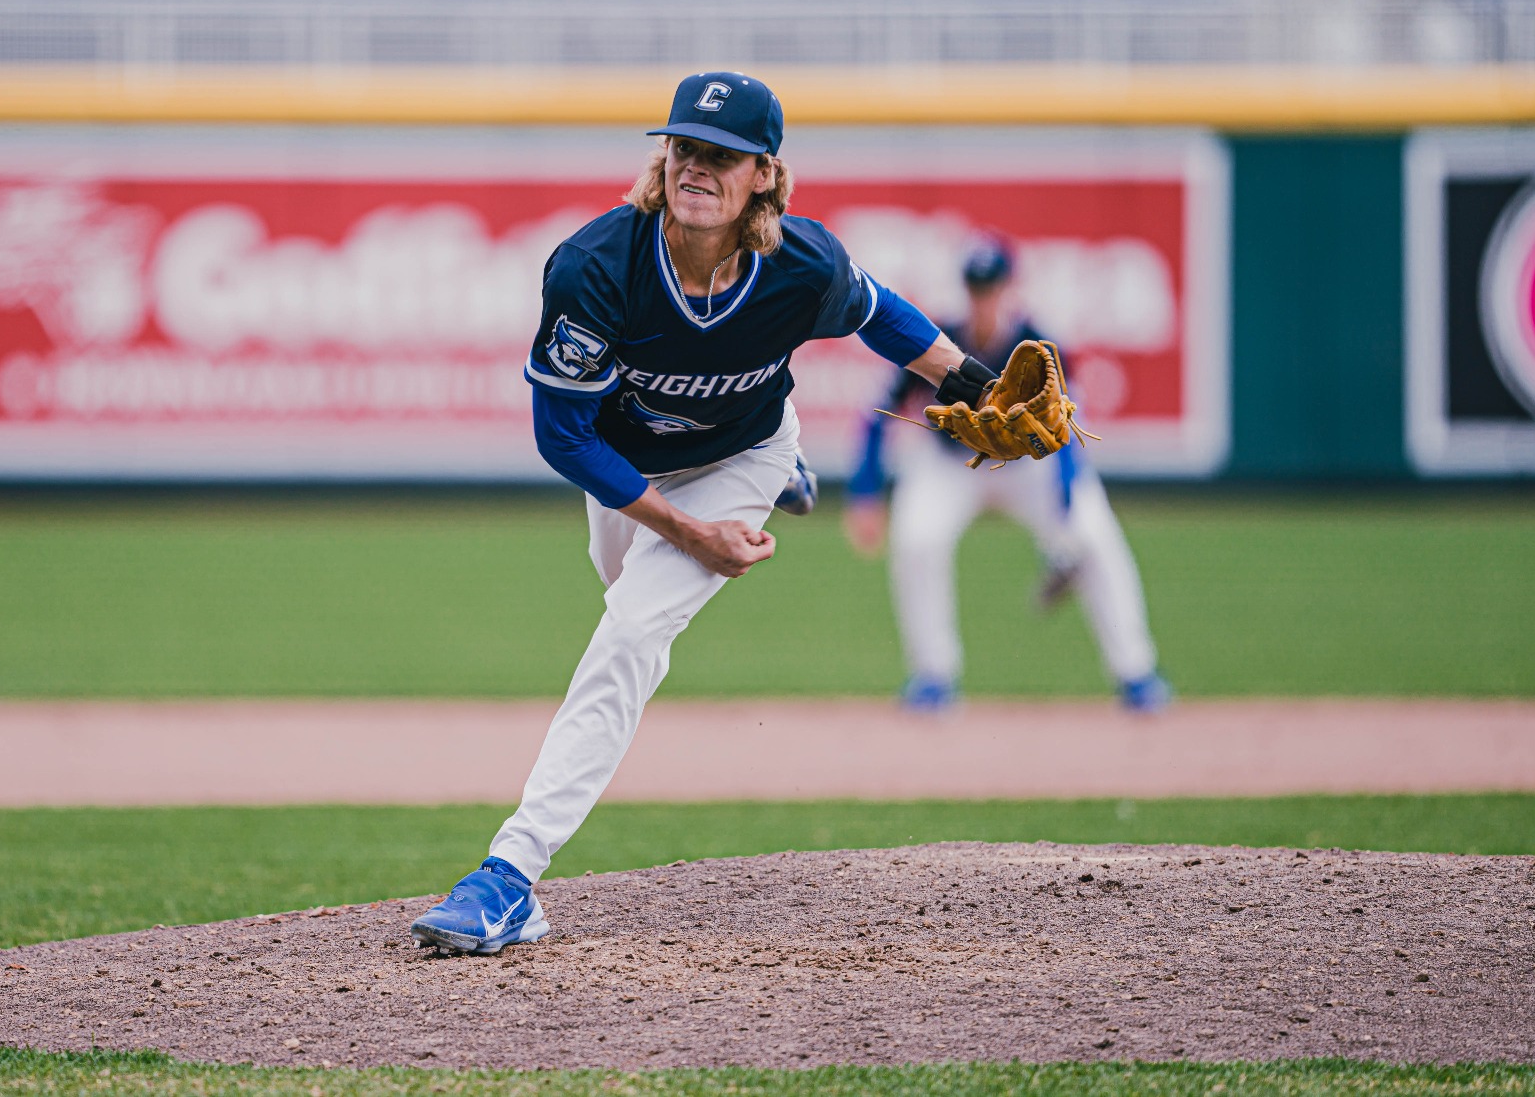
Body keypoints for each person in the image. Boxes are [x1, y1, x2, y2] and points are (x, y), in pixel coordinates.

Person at [410, 71, 1008, 956]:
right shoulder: (595, 268)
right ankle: (791, 481)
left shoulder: (800, 264)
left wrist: (971, 381)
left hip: (741, 454)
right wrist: (689, 532)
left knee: (629, 634)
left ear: (763, 173)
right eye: (685, 146)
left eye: (722, 155)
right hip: (630, 473)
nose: (698, 166)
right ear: (663, 158)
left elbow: (880, 315)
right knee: (623, 590)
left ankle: (508, 878)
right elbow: (563, 437)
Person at [843, 237, 1171, 713]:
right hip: (950, 465)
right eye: (976, 288)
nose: (984, 298)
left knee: (1094, 537)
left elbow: (1067, 437)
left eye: (992, 287)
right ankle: (933, 675)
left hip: (1029, 468)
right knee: (917, 540)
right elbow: (876, 414)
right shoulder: (941, 341)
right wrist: (865, 492)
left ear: (1010, 288)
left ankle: (1136, 673)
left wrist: (1065, 508)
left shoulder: (1040, 348)